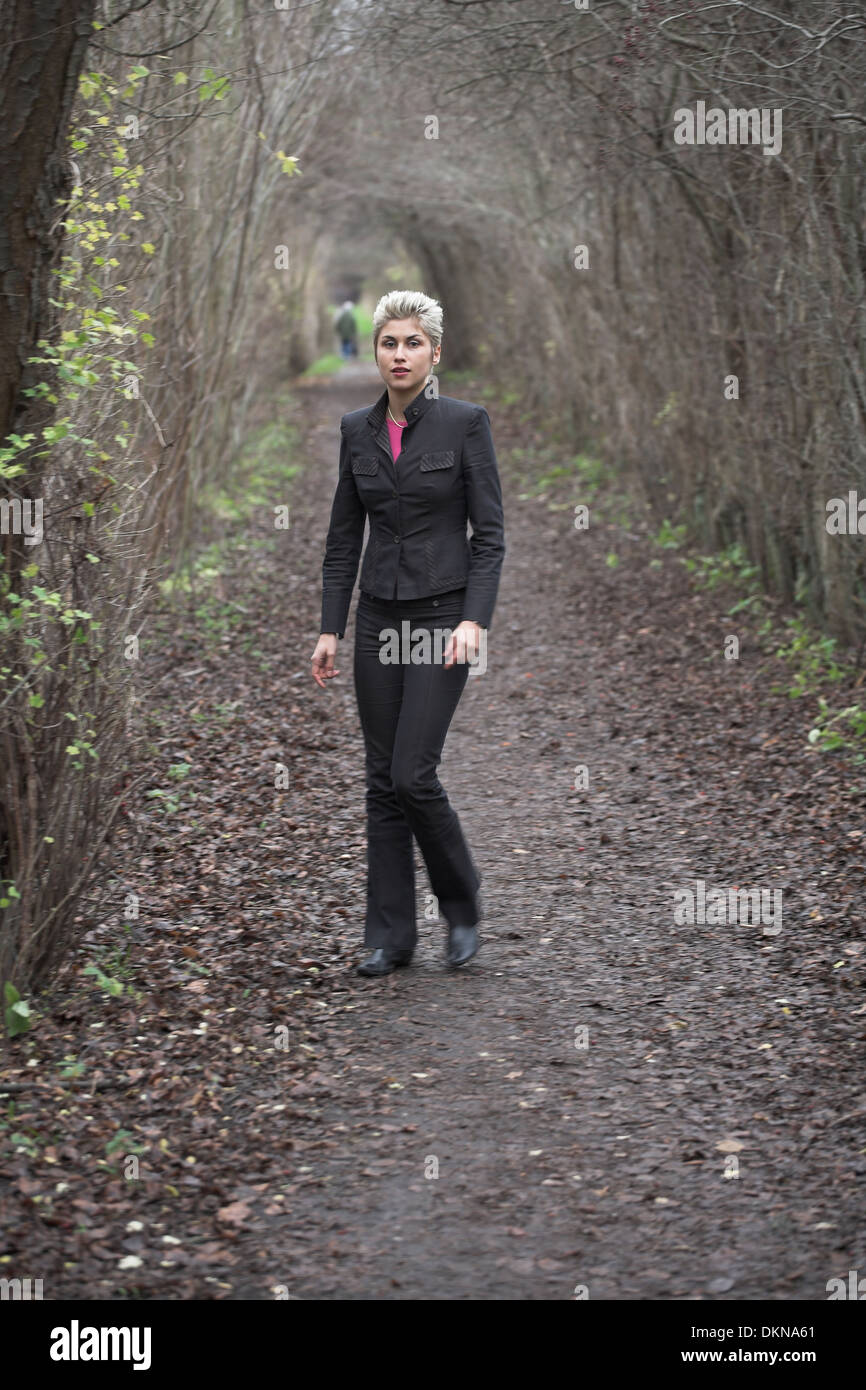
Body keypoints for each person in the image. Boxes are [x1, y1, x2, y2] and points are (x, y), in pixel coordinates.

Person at [311, 289, 506, 977]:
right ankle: (391, 937)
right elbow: (342, 539)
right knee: (379, 780)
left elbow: (490, 538)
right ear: (376, 352)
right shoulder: (355, 431)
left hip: (439, 621)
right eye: (389, 343)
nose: (400, 355)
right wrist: (331, 627)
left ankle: (461, 906)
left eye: (412, 343)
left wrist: (472, 620)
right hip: (377, 618)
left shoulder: (464, 425)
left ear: (434, 352)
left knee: (412, 774)